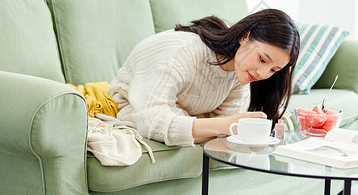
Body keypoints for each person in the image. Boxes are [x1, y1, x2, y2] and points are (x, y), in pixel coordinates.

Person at [109, 9, 300, 146]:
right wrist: (221, 125)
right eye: (261, 59)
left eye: (273, 70)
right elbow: (151, 120)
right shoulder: (183, 54)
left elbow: (225, 128)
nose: (262, 74)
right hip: (128, 105)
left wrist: (218, 126)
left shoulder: (240, 71)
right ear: (244, 36)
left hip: (173, 113)